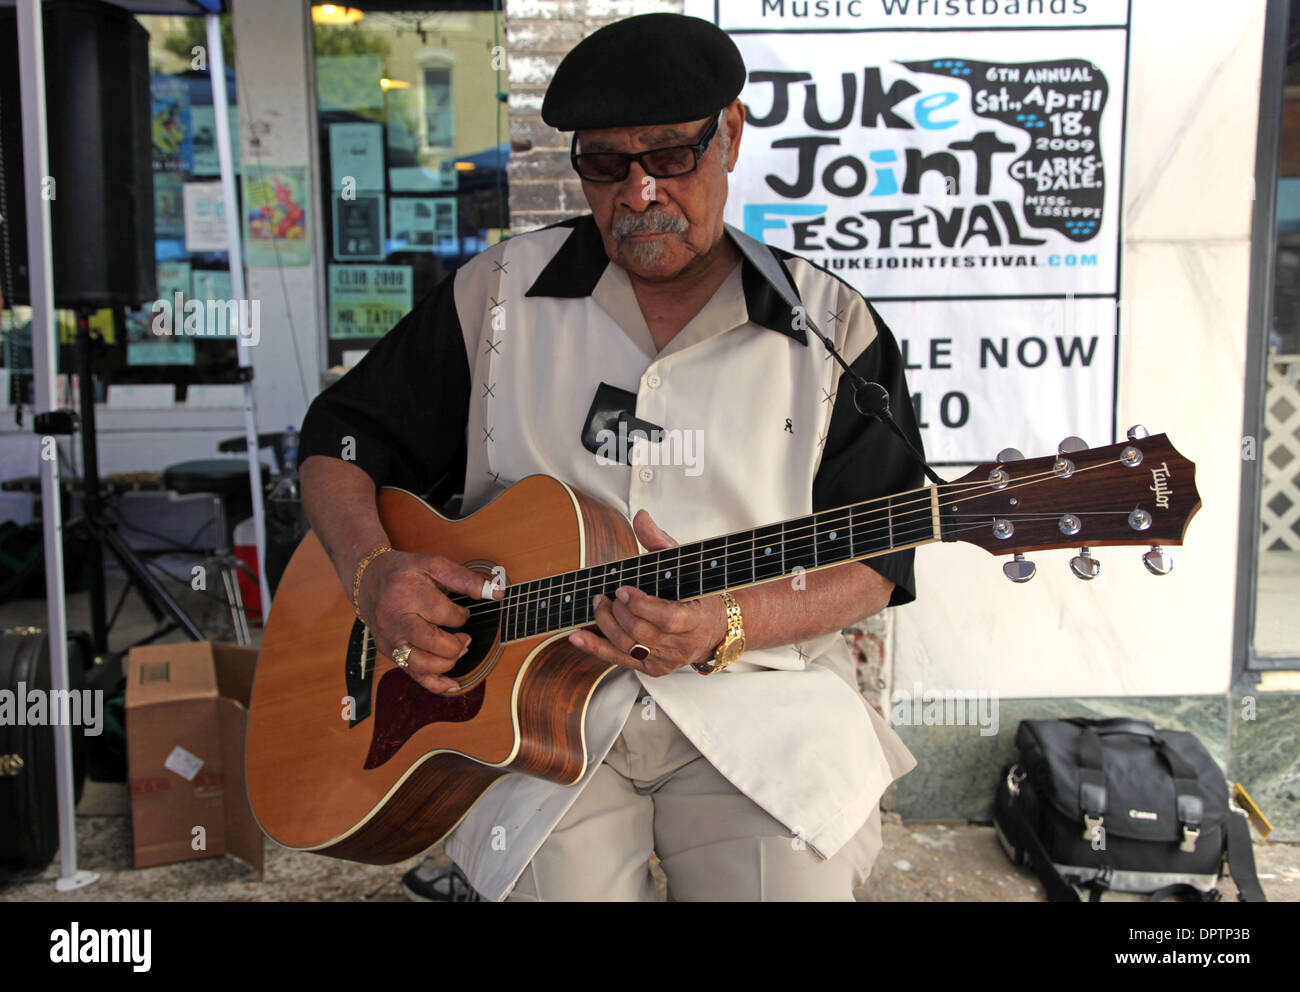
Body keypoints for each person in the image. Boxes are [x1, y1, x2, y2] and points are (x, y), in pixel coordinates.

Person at [298, 12, 923, 902]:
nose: (637, 193)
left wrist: (723, 625)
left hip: (760, 706)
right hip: (523, 715)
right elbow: (337, 443)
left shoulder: (832, 328)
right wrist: (372, 577)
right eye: (604, 163)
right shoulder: (498, 298)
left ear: (730, 135)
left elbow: (876, 559)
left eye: (671, 156)